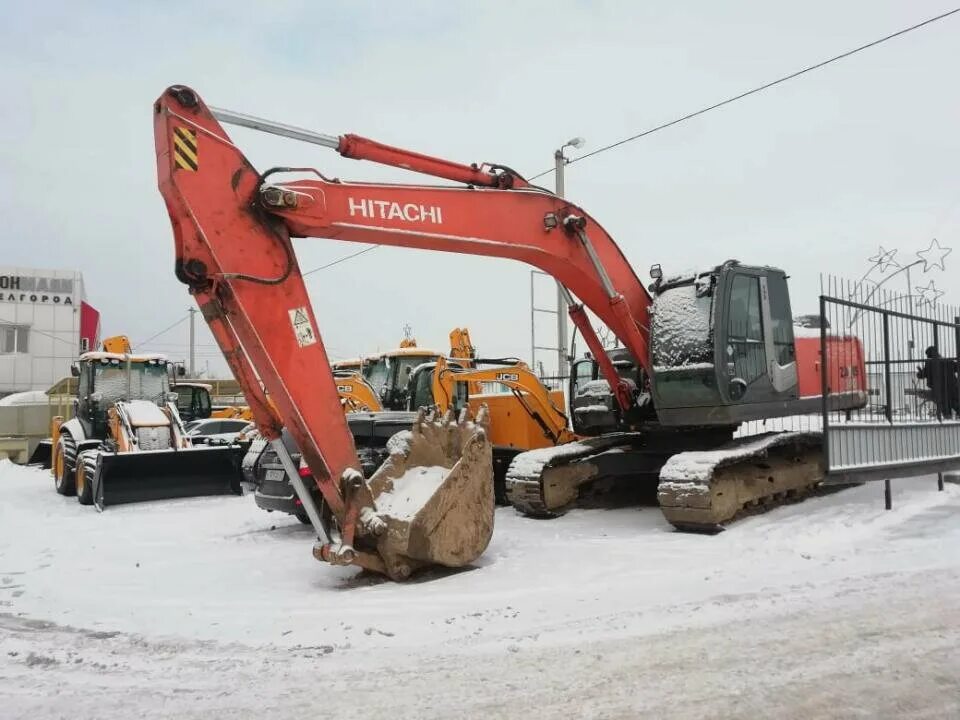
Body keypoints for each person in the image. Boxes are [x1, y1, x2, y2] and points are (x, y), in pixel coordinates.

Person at [917, 346, 959, 418]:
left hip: (940, 391)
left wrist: (919, 372)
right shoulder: (948, 361)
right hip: (953, 389)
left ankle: (948, 423)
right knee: (956, 405)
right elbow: (957, 367)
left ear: (929, 355)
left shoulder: (929, 363)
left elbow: (922, 375)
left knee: (946, 409)